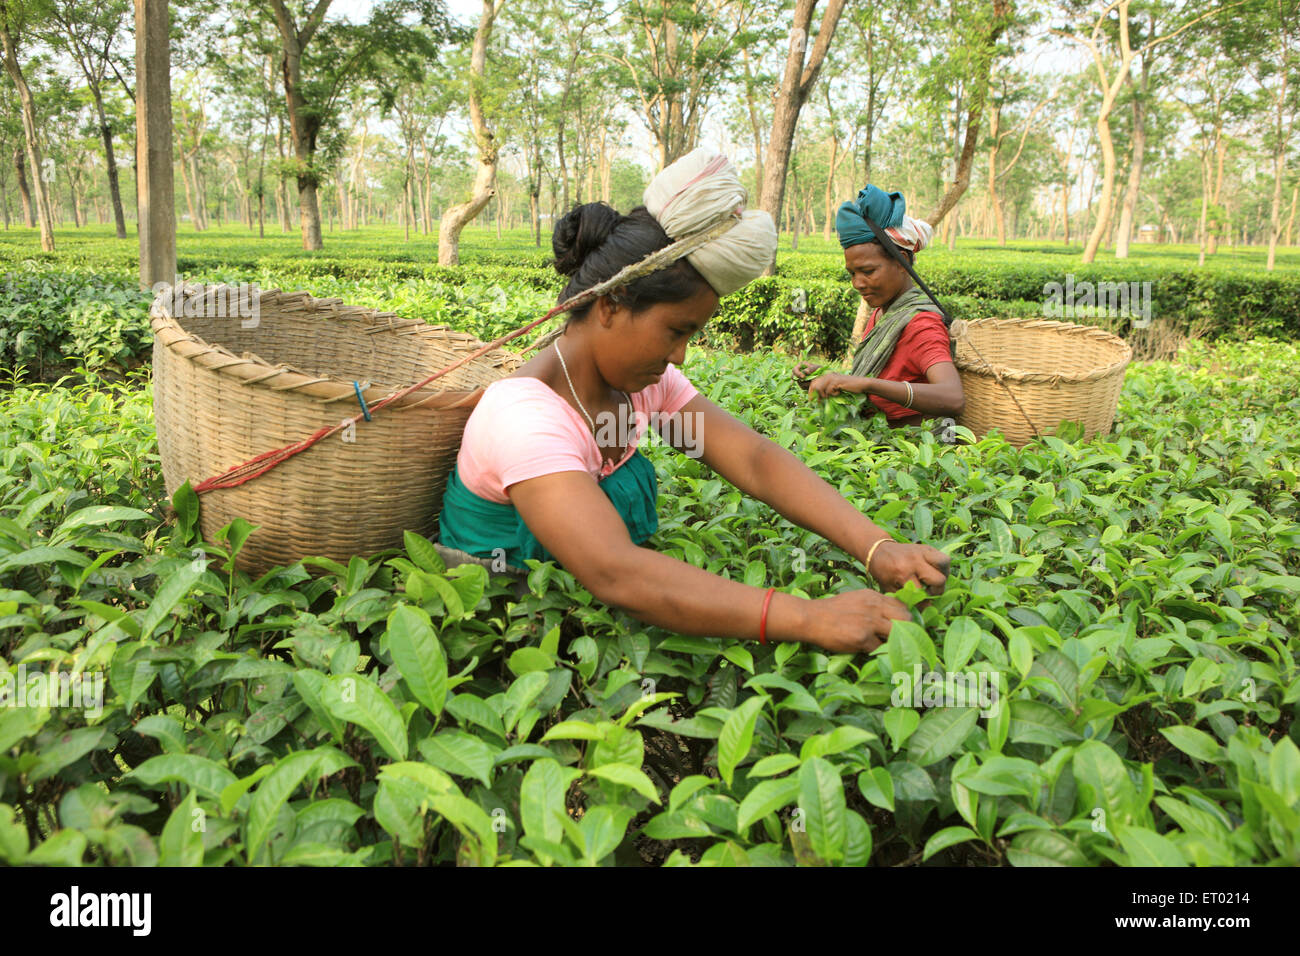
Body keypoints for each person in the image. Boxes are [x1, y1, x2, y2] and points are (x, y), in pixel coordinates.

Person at [438, 149, 951, 655]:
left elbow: (754, 460)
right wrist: (811, 617)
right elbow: (616, 572)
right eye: (676, 331)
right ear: (611, 306)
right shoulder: (526, 416)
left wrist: (877, 546)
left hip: (580, 616)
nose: (681, 355)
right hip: (503, 631)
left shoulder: (640, 383)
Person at [793, 185, 964, 431]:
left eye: (868, 271)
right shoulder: (884, 312)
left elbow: (953, 398)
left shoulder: (920, 324)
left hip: (907, 453)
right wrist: (823, 376)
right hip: (873, 439)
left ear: (902, 262)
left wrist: (868, 385)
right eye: (852, 273)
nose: (857, 283)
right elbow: (884, 377)